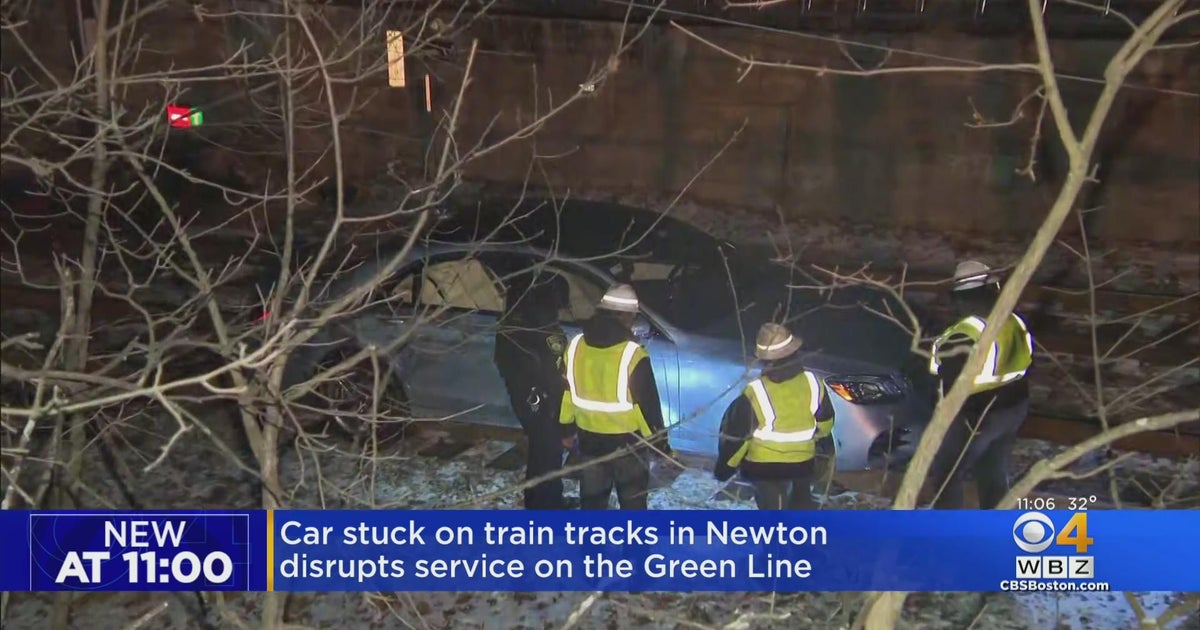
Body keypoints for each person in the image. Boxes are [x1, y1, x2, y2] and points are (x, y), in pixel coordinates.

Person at [927, 260, 1034, 509]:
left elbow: (953, 387)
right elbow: (1028, 363)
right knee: (993, 474)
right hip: (1013, 408)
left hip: (974, 416)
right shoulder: (1014, 321)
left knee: (946, 474)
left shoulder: (964, 334)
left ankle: (949, 535)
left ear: (959, 297)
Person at [558, 284, 671, 510]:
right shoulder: (633, 354)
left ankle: (592, 546)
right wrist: (660, 445)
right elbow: (647, 406)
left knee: (592, 505)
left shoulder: (575, 346)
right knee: (633, 506)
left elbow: (566, 392)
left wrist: (566, 430)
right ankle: (635, 546)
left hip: (590, 442)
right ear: (628, 316)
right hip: (628, 445)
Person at [714, 322, 835, 510]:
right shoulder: (814, 383)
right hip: (802, 464)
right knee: (800, 511)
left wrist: (725, 469)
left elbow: (738, 437)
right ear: (795, 352)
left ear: (765, 360)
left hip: (764, 469)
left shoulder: (755, 391)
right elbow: (826, 424)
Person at [493, 271, 573, 510]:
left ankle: (541, 501)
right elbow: (556, 376)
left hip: (526, 397)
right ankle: (547, 507)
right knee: (548, 450)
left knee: (541, 448)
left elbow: (504, 364)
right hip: (542, 400)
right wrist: (566, 423)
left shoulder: (510, 327)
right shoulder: (545, 331)